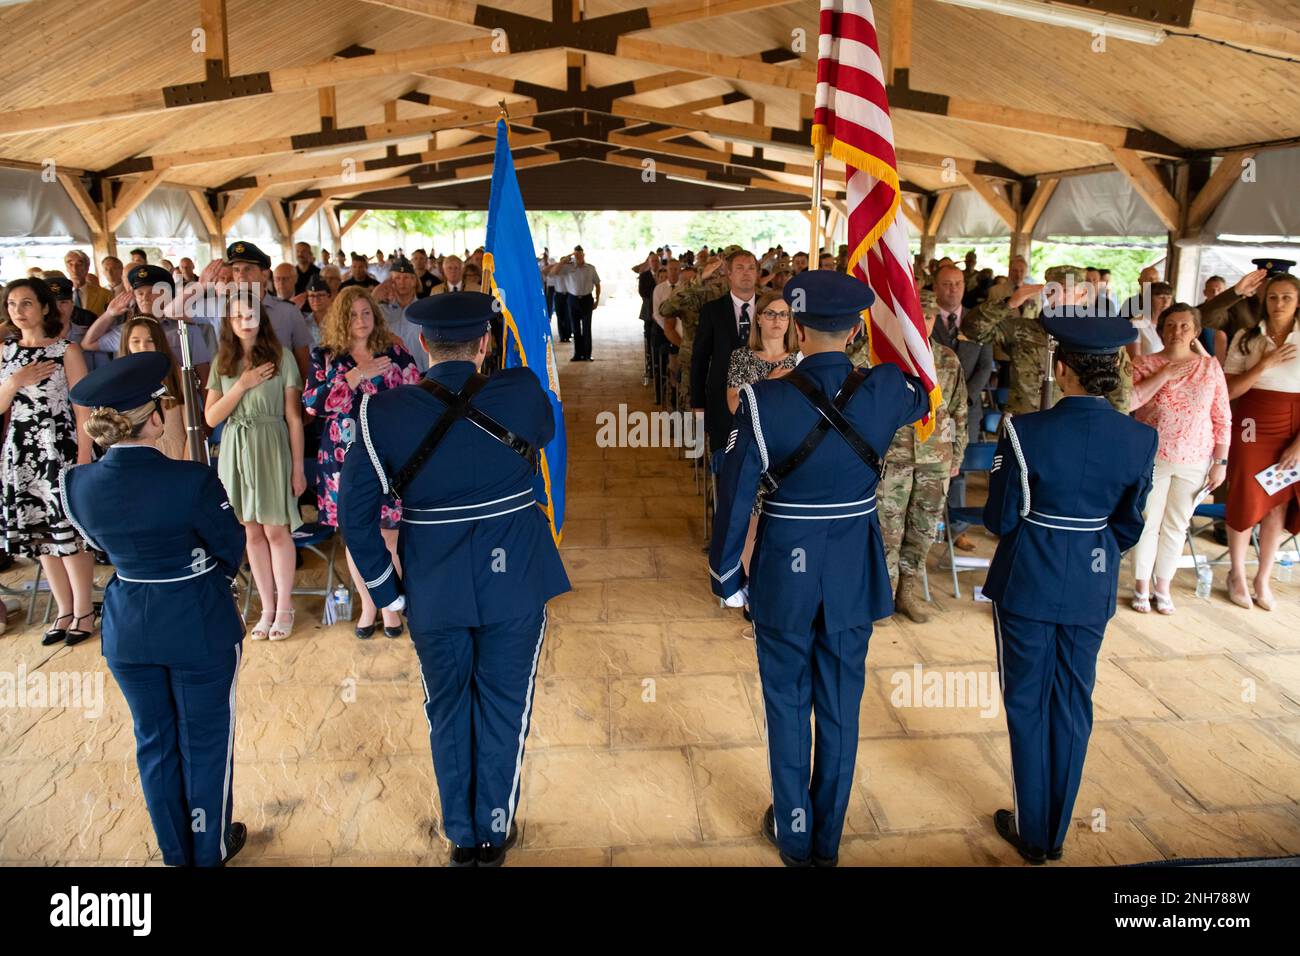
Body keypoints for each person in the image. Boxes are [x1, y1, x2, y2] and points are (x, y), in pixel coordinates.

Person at [338, 292, 570, 867]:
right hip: (514, 577)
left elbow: (353, 517)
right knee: (503, 706)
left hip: (434, 586)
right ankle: (492, 833)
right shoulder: (521, 391)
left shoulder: (380, 412)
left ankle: (461, 832)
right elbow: (543, 432)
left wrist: (386, 592)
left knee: (447, 706)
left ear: (420, 344)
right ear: (485, 343)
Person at [709, 271, 930, 866]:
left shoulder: (763, 399)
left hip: (785, 569)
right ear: (858, 329)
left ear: (797, 329)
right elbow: (924, 393)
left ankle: (795, 831)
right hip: (853, 572)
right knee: (840, 704)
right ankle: (827, 839)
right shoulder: (886, 390)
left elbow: (734, 496)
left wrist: (727, 576)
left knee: (786, 701)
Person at [981, 315, 1158, 864]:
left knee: (1027, 700)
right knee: (1074, 700)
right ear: (1119, 370)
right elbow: (1130, 523)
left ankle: (1034, 832)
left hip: (1029, 577)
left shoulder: (1023, 431)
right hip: (1092, 578)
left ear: (1061, 370)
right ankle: (1055, 828)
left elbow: (1000, 516)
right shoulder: (1141, 436)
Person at [62, 352, 248, 867]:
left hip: (128, 627)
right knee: (205, 742)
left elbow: (101, 547)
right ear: (156, 418)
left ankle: (175, 853)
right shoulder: (190, 479)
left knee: (155, 743)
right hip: (197, 622)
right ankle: (207, 851)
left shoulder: (77, 484)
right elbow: (229, 546)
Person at [303, 286, 420, 638]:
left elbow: (416, 394)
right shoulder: (325, 355)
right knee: (357, 534)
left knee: (388, 533)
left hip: (388, 454)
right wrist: (355, 376)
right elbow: (313, 404)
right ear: (342, 318)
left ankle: (391, 607)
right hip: (342, 454)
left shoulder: (395, 350)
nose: (360, 320)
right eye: (352, 314)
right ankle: (369, 604)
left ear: (375, 315)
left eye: (366, 313)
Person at [204, 292, 306, 641]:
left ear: (260, 318)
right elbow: (212, 416)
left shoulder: (283, 358)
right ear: (229, 323)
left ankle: (285, 606)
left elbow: (294, 417)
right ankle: (266, 607)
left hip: (271, 444)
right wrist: (242, 385)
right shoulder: (223, 362)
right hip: (235, 447)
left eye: (250, 314)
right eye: (236, 316)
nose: (245, 321)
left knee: (277, 530)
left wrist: (297, 468)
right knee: (251, 532)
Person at [0, 278, 95, 645]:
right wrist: (15, 382)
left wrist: (84, 456)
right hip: (22, 449)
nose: (18, 311)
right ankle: (63, 610)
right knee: (43, 540)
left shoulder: (65, 350)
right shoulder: (6, 353)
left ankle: (84, 610)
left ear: (43, 307)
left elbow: (82, 406)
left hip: (59, 446)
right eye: (12, 304)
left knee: (69, 534)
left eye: (26, 303)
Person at [1129, 304, 1230, 614]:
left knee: (1177, 524)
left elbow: (1222, 416)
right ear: (1161, 330)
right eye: (1171, 325)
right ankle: (1141, 585)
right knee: (1147, 521)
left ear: (1196, 332)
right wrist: (1163, 374)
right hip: (1152, 456)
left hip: (1195, 458)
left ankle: (1163, 585)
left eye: (1185, 326)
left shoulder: (1209, 367)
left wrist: (1220, 462)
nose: (1177, 331)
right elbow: (1129, 402)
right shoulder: (1144, 363)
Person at [876, 292, 968, 624]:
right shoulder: (884, 357)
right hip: (894, 455)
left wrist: (956, 454)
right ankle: (884, 596)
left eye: (928, 317)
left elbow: (959, 410)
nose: (922, 323)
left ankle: (908, 593)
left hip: (935, 457)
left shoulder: (946, 359)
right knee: (888, 527)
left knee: (924, 528)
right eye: (917, 317)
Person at [1221, 270, 1300, 610]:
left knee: (1278, 502)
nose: (1278, 303)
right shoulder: (1246, 337)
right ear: (1263, 300)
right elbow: (1229, 391)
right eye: (1273, 296)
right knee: (1245, 494)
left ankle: (1262, 577)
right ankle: (1236, 573)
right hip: (1252, 420)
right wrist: (1263, 365)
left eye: (1286, 297)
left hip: (1293, 422)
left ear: (1297, 302)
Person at [963, 264, 1132, 415]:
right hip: (1024, 428)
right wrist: (1009, 304)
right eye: (1051, 291)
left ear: (1083, 293)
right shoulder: (1023, 330)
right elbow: (972, 329)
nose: (1056, 298)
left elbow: (1120, 396)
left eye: (1064, 291)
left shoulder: (1101, 338)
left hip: (1073, 429)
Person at [693, 248, 757, 454]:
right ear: (728, 273)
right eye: (740, 268)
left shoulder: (771, 308)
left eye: (751, 268)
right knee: (725, 458)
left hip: (762, 397)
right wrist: (698, 401)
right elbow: (700, 358)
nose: (746, 273)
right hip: (721, 398)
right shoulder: (713, 310)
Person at [115, 316, 190, 460]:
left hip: (175, 455)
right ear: (127, 344)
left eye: (150, 340)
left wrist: (186, 466)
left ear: (159, 342)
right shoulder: (120, 380)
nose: (143, 346)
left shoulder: (175, 374)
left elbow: (191, 429)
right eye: (136, 341)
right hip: (138, 459)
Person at [546, 246, 600, 361]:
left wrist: (597, 299)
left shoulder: (590, 268)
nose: (579, 257)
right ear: (574, 256)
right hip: (572, 300)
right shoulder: (567, 268)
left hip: (587, 300)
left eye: (580, 255)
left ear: (584, 255)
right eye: (576, 255)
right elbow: (552, 272)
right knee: (575, 329)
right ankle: (577, 354)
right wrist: (565, 259)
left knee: (586, 328)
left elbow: (597, 283)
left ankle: (587, 354)